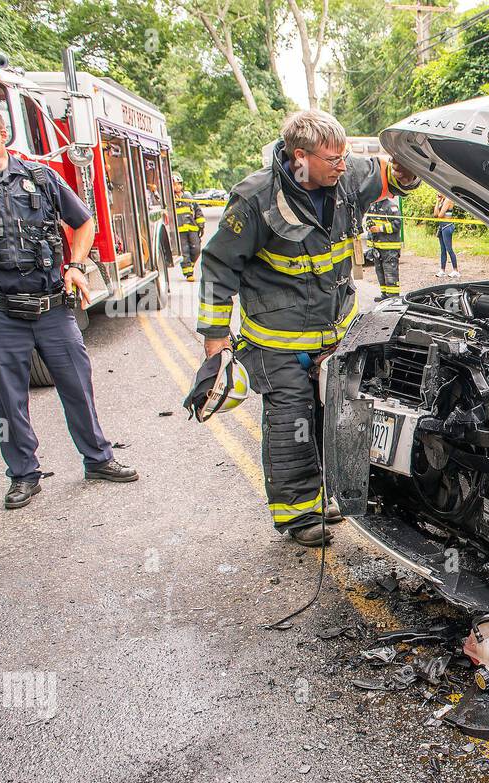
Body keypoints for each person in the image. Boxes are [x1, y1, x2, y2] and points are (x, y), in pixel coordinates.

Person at [196, 110, 417, 547]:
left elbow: (393, 176)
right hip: (278, 344)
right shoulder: (256, 200)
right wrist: (215, 336)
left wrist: (411, 169)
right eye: (332, 158)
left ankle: (332, 495)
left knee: (332, 417)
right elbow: (217, 266)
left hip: (336, 333)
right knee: (291, 422)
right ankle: (297, 516)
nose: (342, 164)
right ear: (301, 157)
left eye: (344, 156)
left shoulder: (347, 176)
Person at [0, 102, 138, 510]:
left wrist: (74, 266)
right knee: (9, 400)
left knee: (77, 387)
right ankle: (23, 475)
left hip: (53, 307)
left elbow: (84, 221)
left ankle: (99, 459)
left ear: (2, 134)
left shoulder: (40, 176)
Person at [363, 195, 403, 301]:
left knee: (390, 273)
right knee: (380, 272)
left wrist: (380, 228)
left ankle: (393, 298)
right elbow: (368, 220)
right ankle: (385, 295)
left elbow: (397, 224)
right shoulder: (373, 206)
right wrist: (369, 226)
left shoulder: (391, 206)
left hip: (390, 248)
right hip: (377, 247)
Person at [172, 173, 205, 281]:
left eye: (178, 184)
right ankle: (189, 274)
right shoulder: (170, 199)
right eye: (174, 184)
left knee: (196, 249)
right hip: (179, 232)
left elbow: (198, 210)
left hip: (192, 229)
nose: (176, 186)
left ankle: (190, 265)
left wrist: (201, 225)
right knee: (184, 251)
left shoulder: (188, 196)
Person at [434, 194, 458, 278]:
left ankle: (455, 270)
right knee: (442, 249)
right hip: (441, 227)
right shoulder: (442, 201)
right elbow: (435, 214)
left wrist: (439, 213)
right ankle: (442, 270)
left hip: (447, 227)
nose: (439, 194)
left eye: (440, 192)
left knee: (449, 249)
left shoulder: (448, 200)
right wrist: (437, 201)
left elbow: (440, 215)